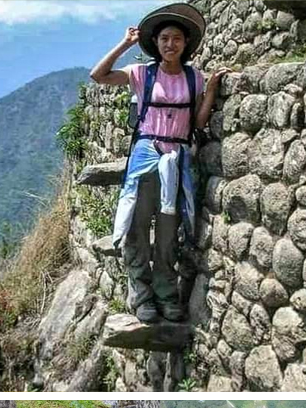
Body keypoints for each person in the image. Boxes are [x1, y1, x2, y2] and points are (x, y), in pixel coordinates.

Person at [90, 4, 225, 324]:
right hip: (146, 156)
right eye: (164, 38)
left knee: (168, 230)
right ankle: (141, 295)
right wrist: (125, 44)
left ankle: (166, 294)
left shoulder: (195, 77)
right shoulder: (142, 74)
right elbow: (98, 75)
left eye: (176, 39)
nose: (170, 44)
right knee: (137, 226)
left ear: (185, 44)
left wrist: (212, 89)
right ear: (156, 42)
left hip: (176, 160)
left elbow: (199, 121)